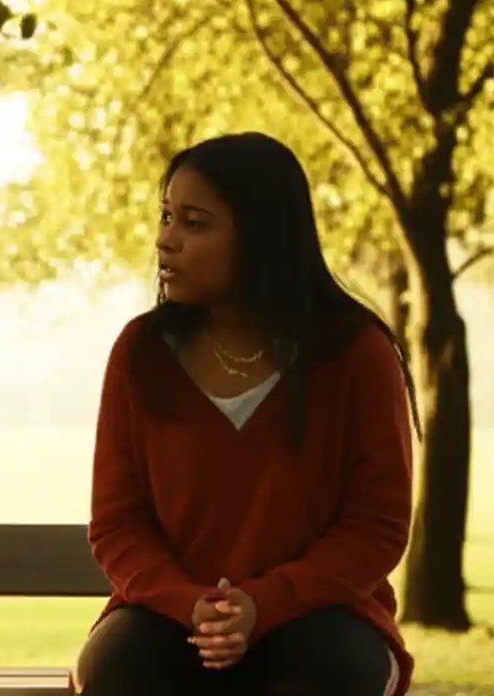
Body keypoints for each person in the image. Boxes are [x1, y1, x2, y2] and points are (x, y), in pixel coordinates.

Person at [72, 132, 418, 696]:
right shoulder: (141, 353)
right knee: (114, 674)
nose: (166, 241)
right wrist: (195, 608)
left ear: (262, 238)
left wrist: (262, 604)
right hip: (167, 617)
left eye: (194, 223)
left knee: (326, 676)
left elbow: (376, 526)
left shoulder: (356, 353)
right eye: (166, 217)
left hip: (323, 615)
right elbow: (118, 523)